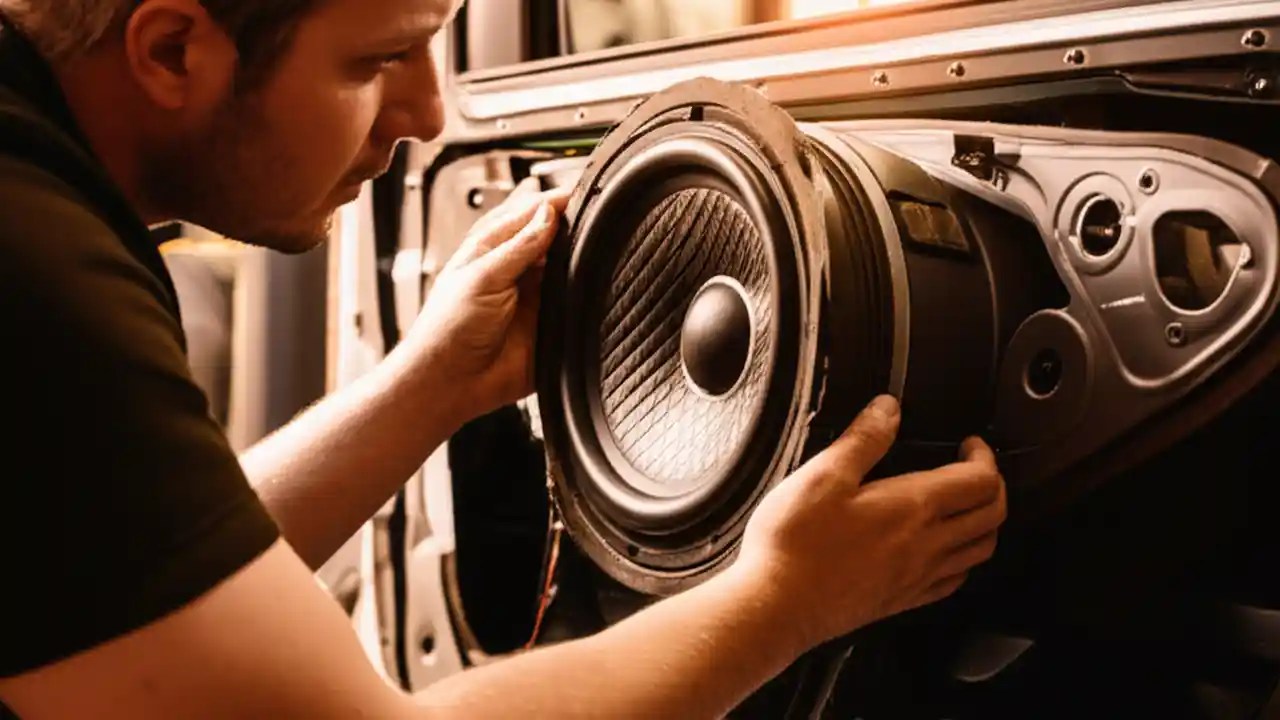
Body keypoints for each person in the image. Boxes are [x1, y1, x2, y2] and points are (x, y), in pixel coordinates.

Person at [0, 1, 1008, 717]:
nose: (426, 116)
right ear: (173, 49)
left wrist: (432, 386)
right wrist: (783, 603)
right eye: (371, 64)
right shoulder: (37, 277)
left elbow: (131, 575)